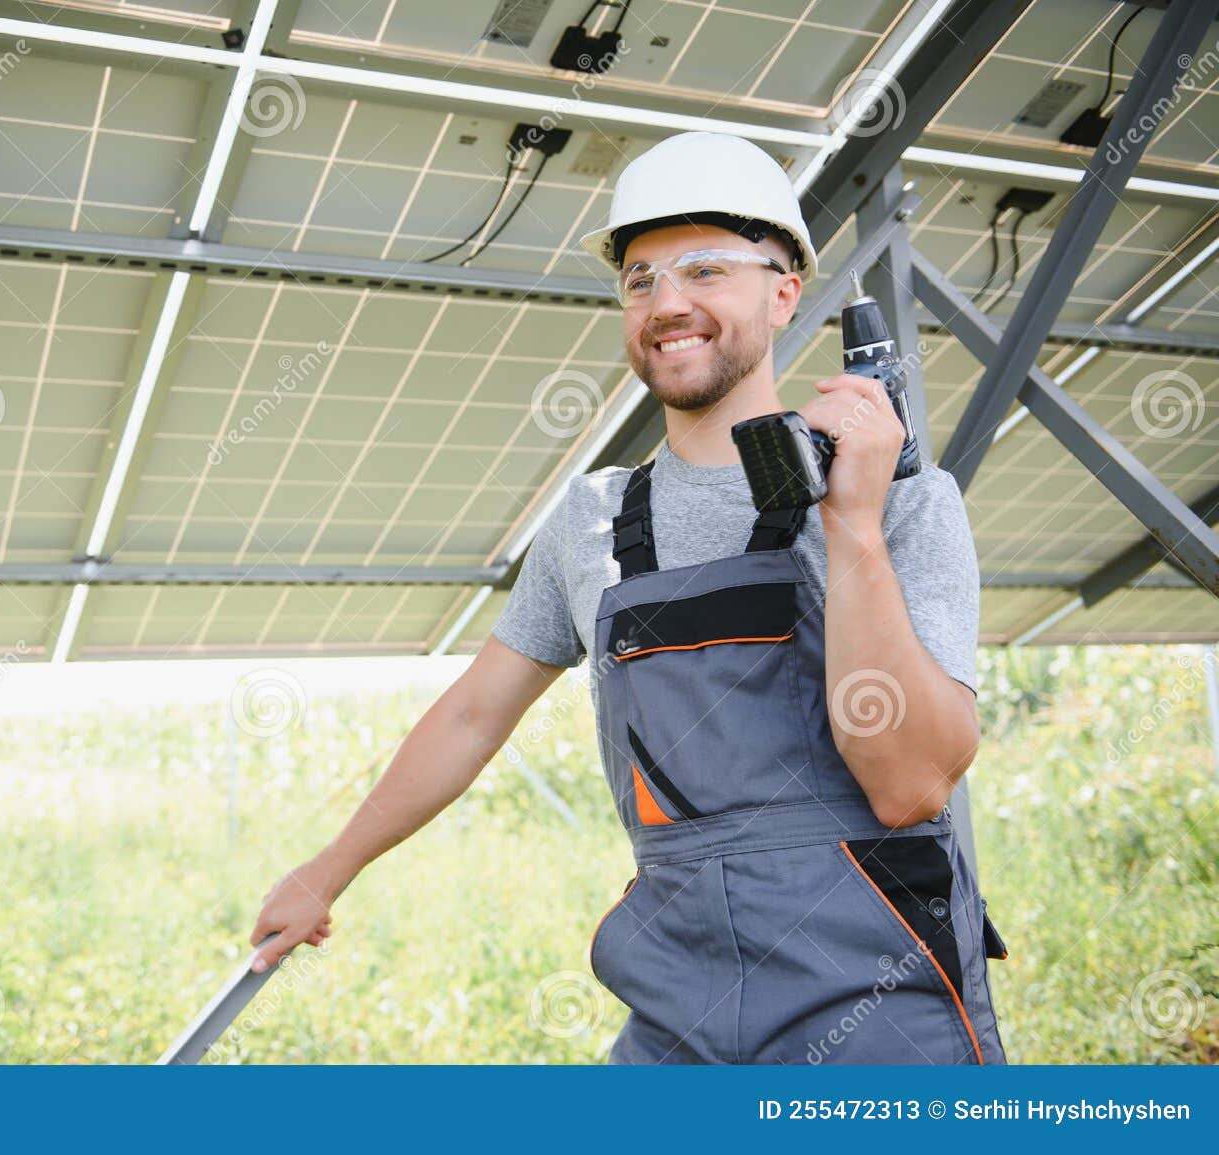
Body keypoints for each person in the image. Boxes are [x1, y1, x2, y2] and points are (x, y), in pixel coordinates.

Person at [249, 131, 1007, 1064]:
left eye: (703, 270)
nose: (667, 303)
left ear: (783, 293)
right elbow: (472, 717)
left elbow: (910, 782)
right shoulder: (591, 520)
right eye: (639, 279)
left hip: (874, 1000)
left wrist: (849, 523)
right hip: (680, 1002)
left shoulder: (904, 502)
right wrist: (327, 871)